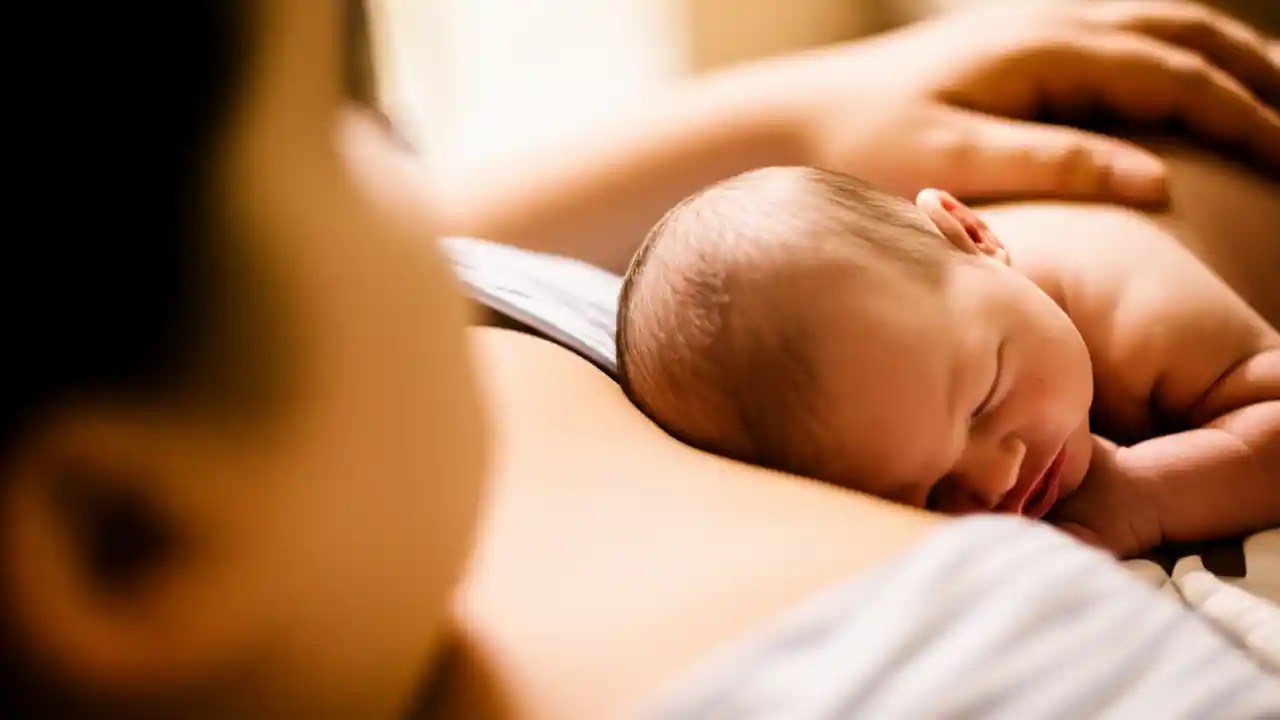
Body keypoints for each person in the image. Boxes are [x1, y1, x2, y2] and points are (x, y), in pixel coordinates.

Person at [4, 0, 1279, 717]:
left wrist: (787, 116)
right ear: (122, 542)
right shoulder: (995, 683)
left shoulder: (325, 453)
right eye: (344, 119)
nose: (419, 176)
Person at [615, 160, 1277, 558]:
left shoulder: (1137, 306)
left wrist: (1143, 495)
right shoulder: (947, 326)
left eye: (985, 399)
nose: (998, 478)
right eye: (932, 495)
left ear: (974, 235)